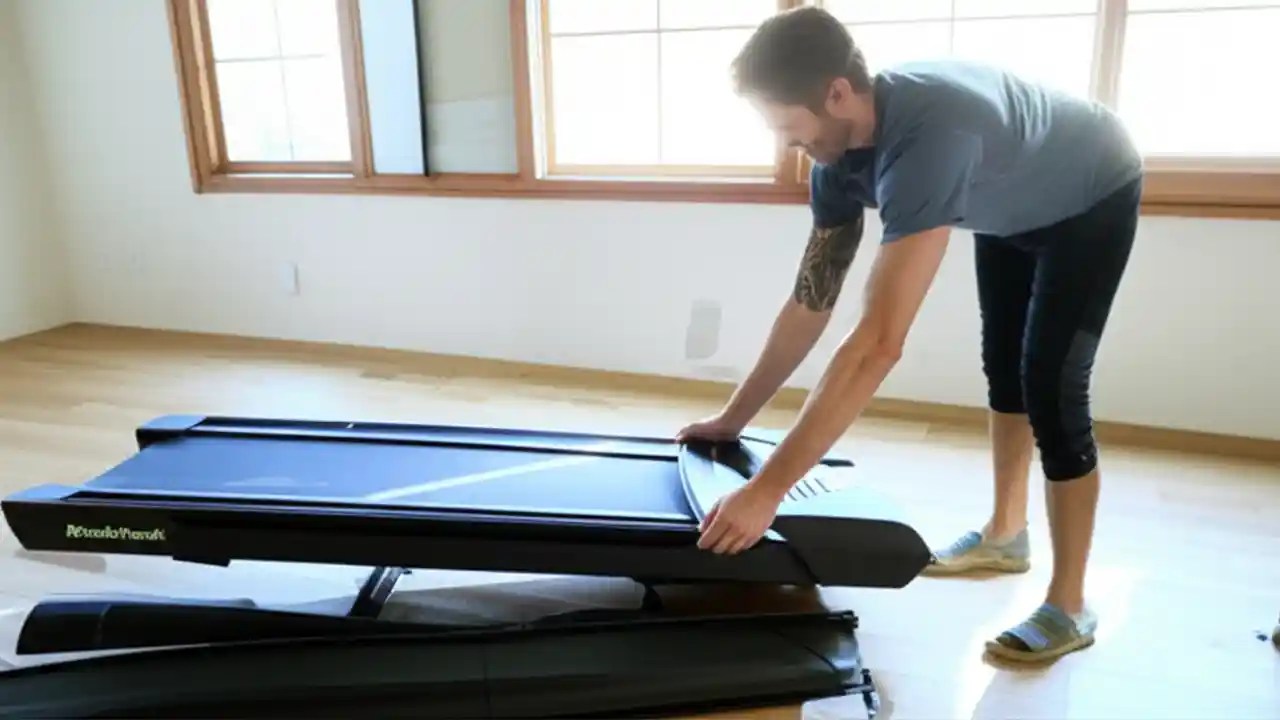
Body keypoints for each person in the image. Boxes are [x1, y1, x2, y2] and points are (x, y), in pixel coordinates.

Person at [676, 6, 1143, 663]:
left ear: (837, 93)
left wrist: (767, 491)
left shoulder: (931, 139)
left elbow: (877, 344)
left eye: (787, 126)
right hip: (1005, 201)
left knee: (1052, 386)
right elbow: (811, 302)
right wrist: (734, 419)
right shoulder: (834, 161)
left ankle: (1069, 604)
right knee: (1004, 368)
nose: (786, 144)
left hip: (1090, 190)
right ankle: (1005, 535)